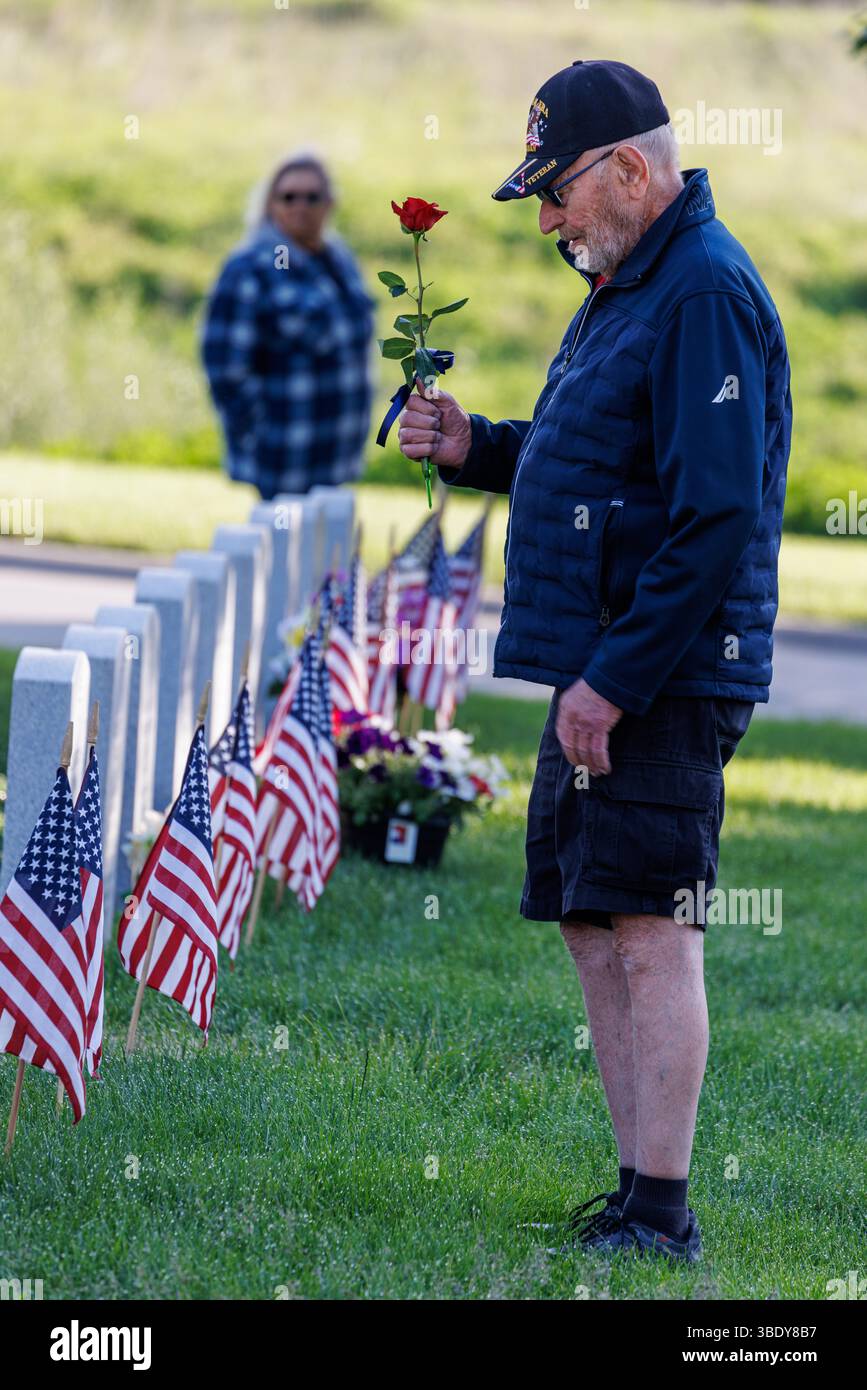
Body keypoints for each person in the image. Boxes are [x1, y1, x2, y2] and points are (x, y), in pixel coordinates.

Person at [397, 60, 792, 1262]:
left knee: (648, 925)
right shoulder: (629, 281)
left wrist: (614, 678)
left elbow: (712, 514)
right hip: (612, 662)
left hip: (657, 671)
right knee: (591, 915)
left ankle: (662, 1215)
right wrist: (478, 445)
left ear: (630, 169)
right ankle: (632, 1195)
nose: (550, 221)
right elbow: (595, 466)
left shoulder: (702, 293)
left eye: (559, 193)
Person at [202, 151, 375, 499]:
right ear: (270, 203)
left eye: (312, 197)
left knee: (325, 548)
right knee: (282, 549)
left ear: (330, 204)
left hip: (335, 454)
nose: (301, 205)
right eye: (288, 197)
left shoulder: (339, 259)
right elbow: (224, 368)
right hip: (283, 456)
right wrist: (258, 432)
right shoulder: (250, 267)